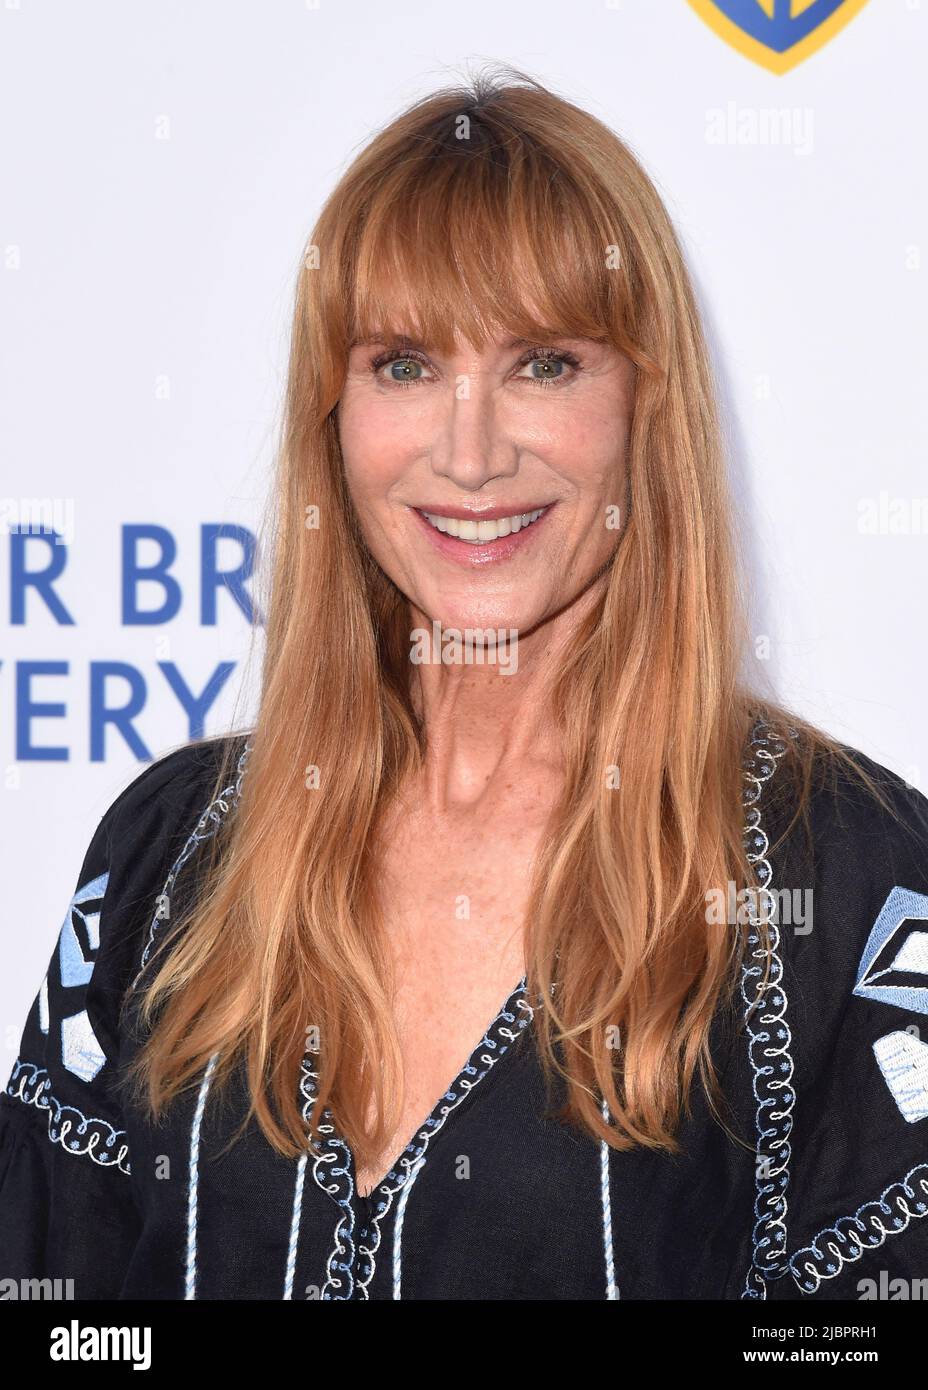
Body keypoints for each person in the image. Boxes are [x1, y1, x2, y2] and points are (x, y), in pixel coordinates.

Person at [2, 69, 926, 1302]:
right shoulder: (169, 854)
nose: (472, 452)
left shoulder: (845, 876)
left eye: (545, 363)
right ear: (332, 414)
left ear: (646, 408)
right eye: (402, 364)